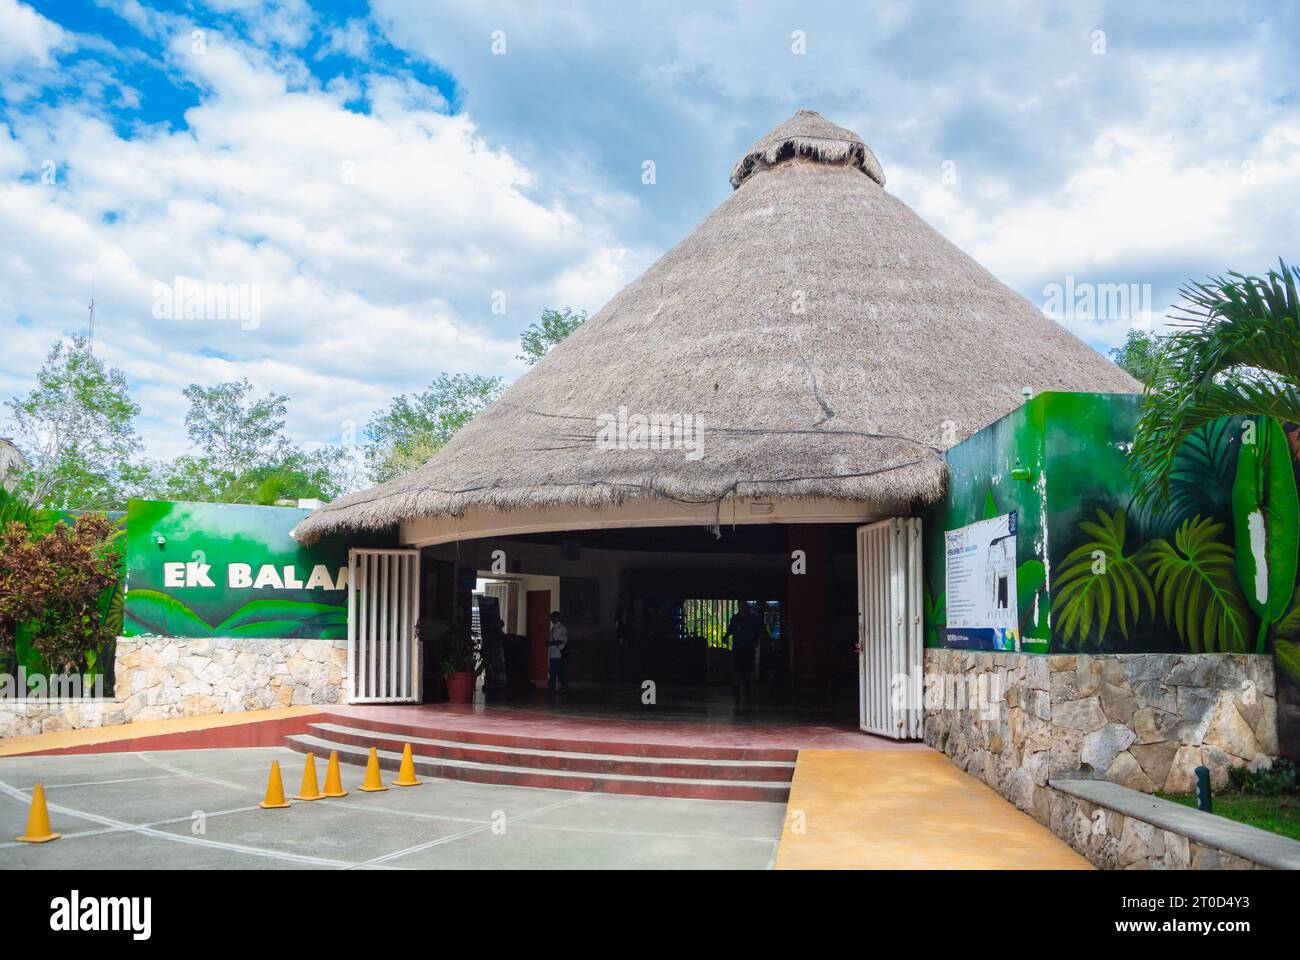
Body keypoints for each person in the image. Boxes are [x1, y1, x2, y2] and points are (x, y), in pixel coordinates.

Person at [724, 601, 760, 706]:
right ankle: (738, 689)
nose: (742, 608)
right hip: (739, 647)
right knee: (738, 669)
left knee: (746, 670)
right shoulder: (737, 618)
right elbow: (731, 629)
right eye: (741, 606)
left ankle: (744, 688)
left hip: (747, 647)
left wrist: (755, 642)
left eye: (743, 606)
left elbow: (757, 633)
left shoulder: (752, 619)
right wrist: (726, 636)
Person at [547, 611, 570, 693]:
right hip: (553, 653)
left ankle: (552, 688)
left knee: (553, 671)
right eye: (551, 617)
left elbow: (561, 641)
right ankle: (565, 686)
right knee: (559, 671)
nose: (551, 619)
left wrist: (551, 643)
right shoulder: (554, 628)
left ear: (557, 617)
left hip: (557, 653)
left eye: (553, 617)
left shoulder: (561, 628)